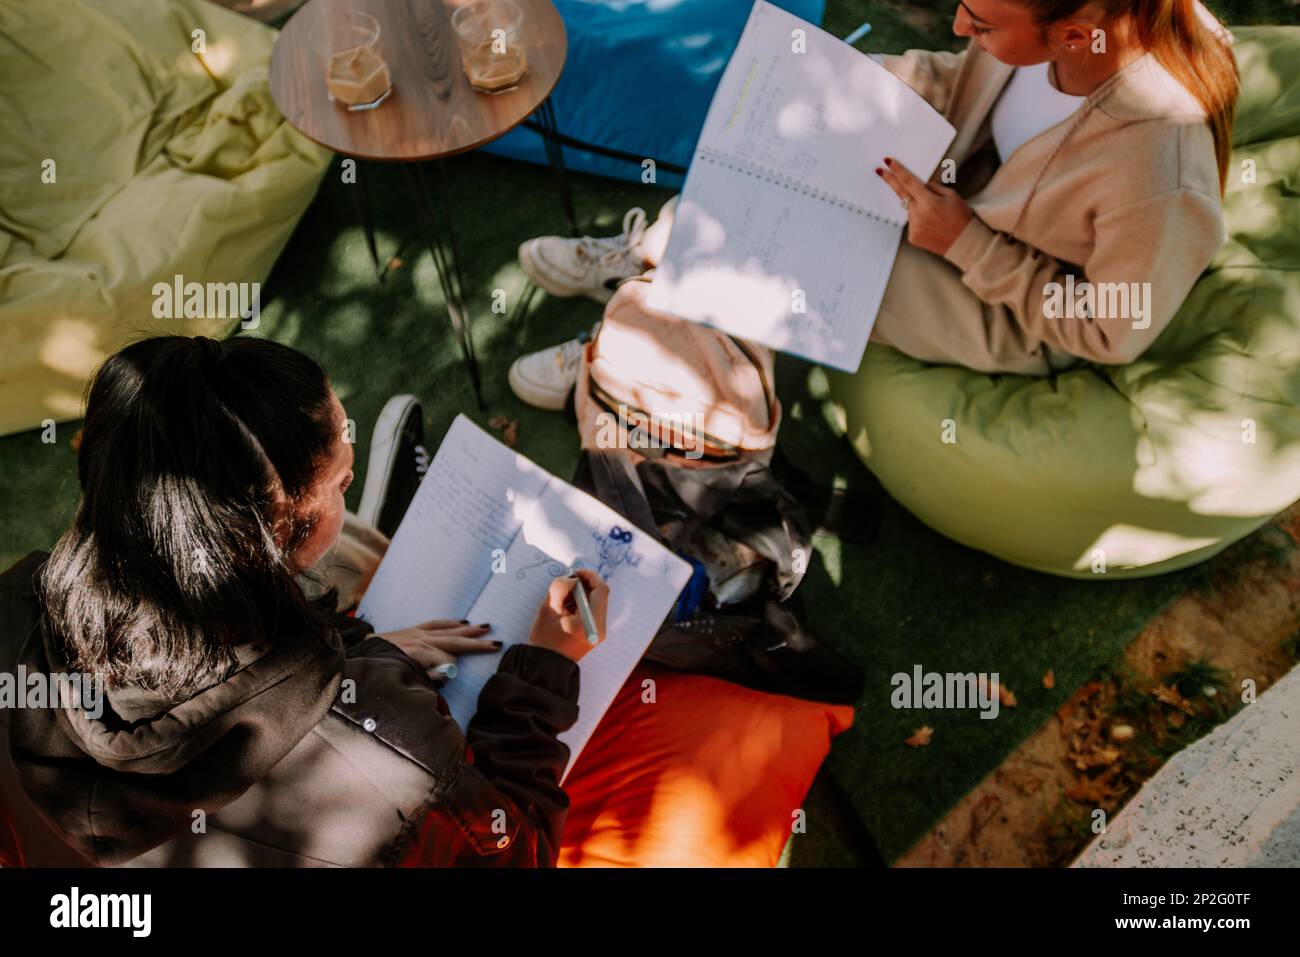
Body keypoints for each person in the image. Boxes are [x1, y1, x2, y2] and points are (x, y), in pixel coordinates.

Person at [0, 335, 609, 867]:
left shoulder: (15, 602)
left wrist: (355, 653)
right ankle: (386, 518)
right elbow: (517, 852)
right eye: (340, 481)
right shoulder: (394, 761)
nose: (341, 479)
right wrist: (546, 674)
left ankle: (380, 519)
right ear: (276, 523)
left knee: (360, 551)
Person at [507, 0, 1237, 410]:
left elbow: (1113, 328)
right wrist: (858, 82)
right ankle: (651, 256)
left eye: (980, 23)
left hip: (1013, 303)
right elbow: (965, 78)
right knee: (777, 143)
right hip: (968, 193)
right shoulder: (1082, 15)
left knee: (783, 253)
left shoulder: (1159, 173)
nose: (959, 26)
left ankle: (627, 348)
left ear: (1076, 35)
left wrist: (965, 245)